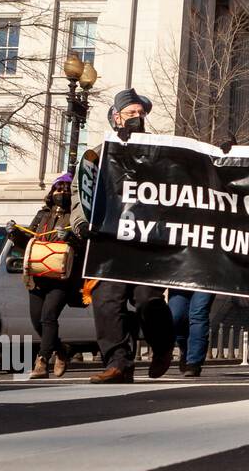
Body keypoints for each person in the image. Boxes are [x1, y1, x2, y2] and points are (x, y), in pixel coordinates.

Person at [75, 89, 175, 384]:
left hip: (146, 241)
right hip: (110, 241)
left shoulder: (159, 154)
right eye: (131, 113)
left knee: (147, 299)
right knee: (106, 299)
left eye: (141, 113)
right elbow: (81, 190)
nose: (137, 118)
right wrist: (81, 222)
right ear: (116, 117)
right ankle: (118, 363)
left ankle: (163, 346)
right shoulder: (98, 153)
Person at [6, 173, 83, 379]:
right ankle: (61, 350)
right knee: (37, 320)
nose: (62, 192)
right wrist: (14, 234)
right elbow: (28, 241)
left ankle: (41, 361)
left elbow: (85, 246)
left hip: (61, 278)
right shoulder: (42, 215)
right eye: (59, 189)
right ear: (52, 192)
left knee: (49, 316)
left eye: (67, 189)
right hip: (38, 276)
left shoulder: (77, 216)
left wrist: (71, 239)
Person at [168, 289, 214, 377]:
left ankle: (194, 363)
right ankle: (185, 349)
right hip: (180, 279)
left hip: (207, 279)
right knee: (176, 316)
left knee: (199, 314)